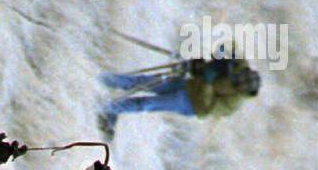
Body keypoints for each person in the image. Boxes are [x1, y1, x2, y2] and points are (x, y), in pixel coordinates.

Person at [98, 54, 261, 140]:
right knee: (143, 81)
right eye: (236, 75)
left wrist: (208, 80)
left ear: (240, 89)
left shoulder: (233, 104)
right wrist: (220, 59)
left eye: (235, 81)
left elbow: (206, 107)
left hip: (188, 103)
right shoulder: (241, 66)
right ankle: (101, 78)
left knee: (147, 104)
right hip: (187, 84)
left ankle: (108, 108)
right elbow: (227, 48)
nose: (233, 78)